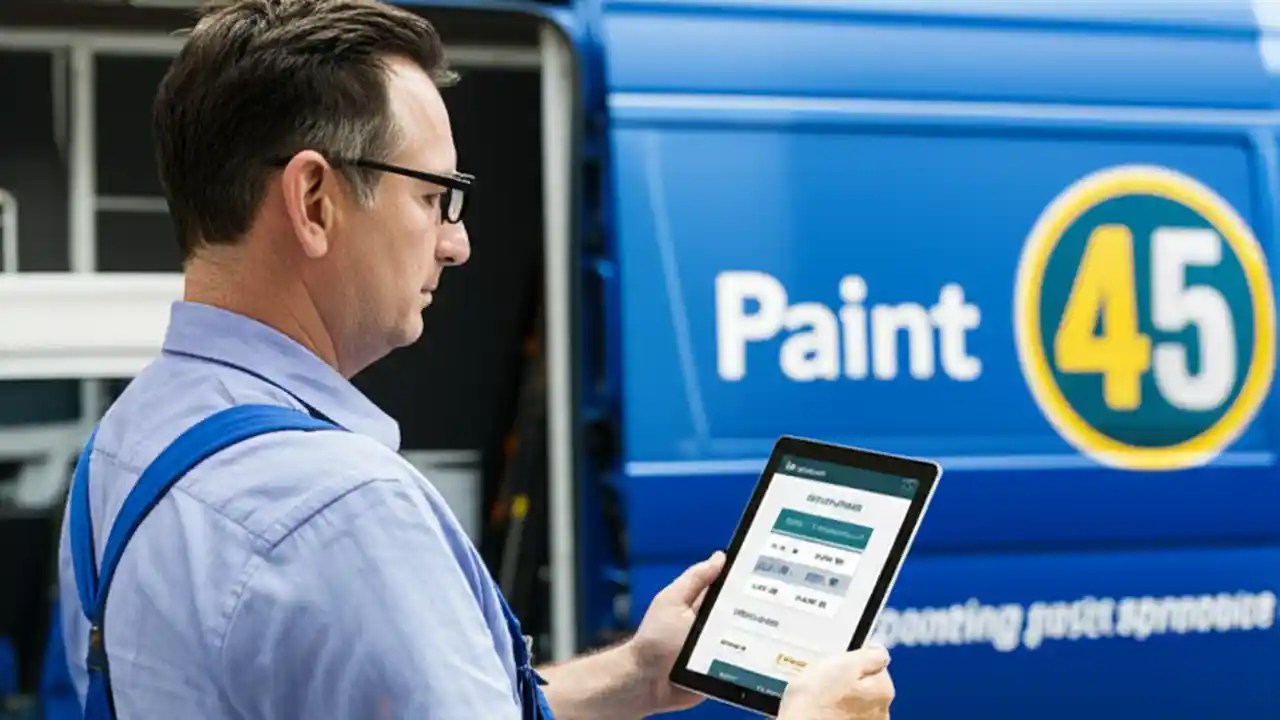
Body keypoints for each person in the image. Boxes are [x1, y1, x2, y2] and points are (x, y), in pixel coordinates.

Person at [53, 0, 897, 718]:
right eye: (433, 197)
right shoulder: (347, 513)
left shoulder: (124, 447)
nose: (456, 243)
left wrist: (638, 674)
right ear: (313, 201)